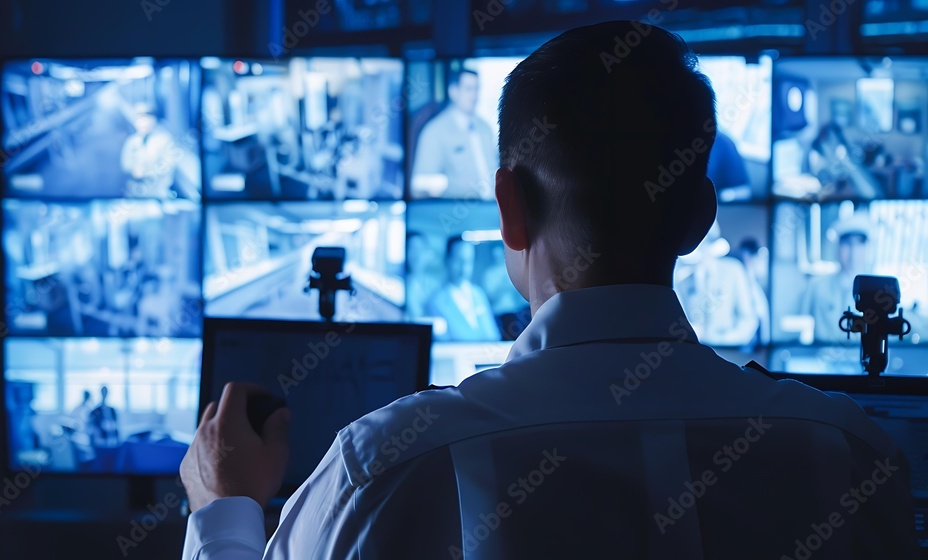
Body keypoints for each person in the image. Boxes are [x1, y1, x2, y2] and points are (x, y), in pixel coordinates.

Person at [180, 23, 917, 559]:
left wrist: (224, 509)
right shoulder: (851, 455)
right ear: (700, 218)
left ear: (510, 208)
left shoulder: (383, 468)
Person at [411, 68, 499, 199]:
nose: (474, 95)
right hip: (456, 208)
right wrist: (448, 185)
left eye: (476, 89)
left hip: (493, 205)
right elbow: (419, 185)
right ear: (453, 91)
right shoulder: (434, 131)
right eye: (468, 89)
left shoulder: (485, 127)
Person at [674, 222, 760, 347]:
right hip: (691, 352)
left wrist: (719, 340)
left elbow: (748, 319)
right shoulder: (681, 276)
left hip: (726, 352)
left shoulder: (733, 270)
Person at [801, 213, 873, 343]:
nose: (853, 252)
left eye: (859, 244)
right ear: (837, 247)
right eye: (847, 244)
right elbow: (802, 325)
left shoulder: (877, 289)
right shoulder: (816, 286)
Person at [424, 236, 501, 341]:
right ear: (447, 260)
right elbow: (443, 342)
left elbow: (493, 334)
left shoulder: (479, 294)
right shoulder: (437, 301)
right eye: (458, 260)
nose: (464, 267)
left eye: (468, 261)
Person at [120, 102, 178, 198]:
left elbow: (168, 165)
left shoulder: (165, 140)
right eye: (140, 119)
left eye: (147, 118)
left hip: (158, 193)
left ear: (154, 120)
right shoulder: (131, 141)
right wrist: (134, 171)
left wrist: (145, 173)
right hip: (134, 192)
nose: (144, 122)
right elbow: (125, 165)